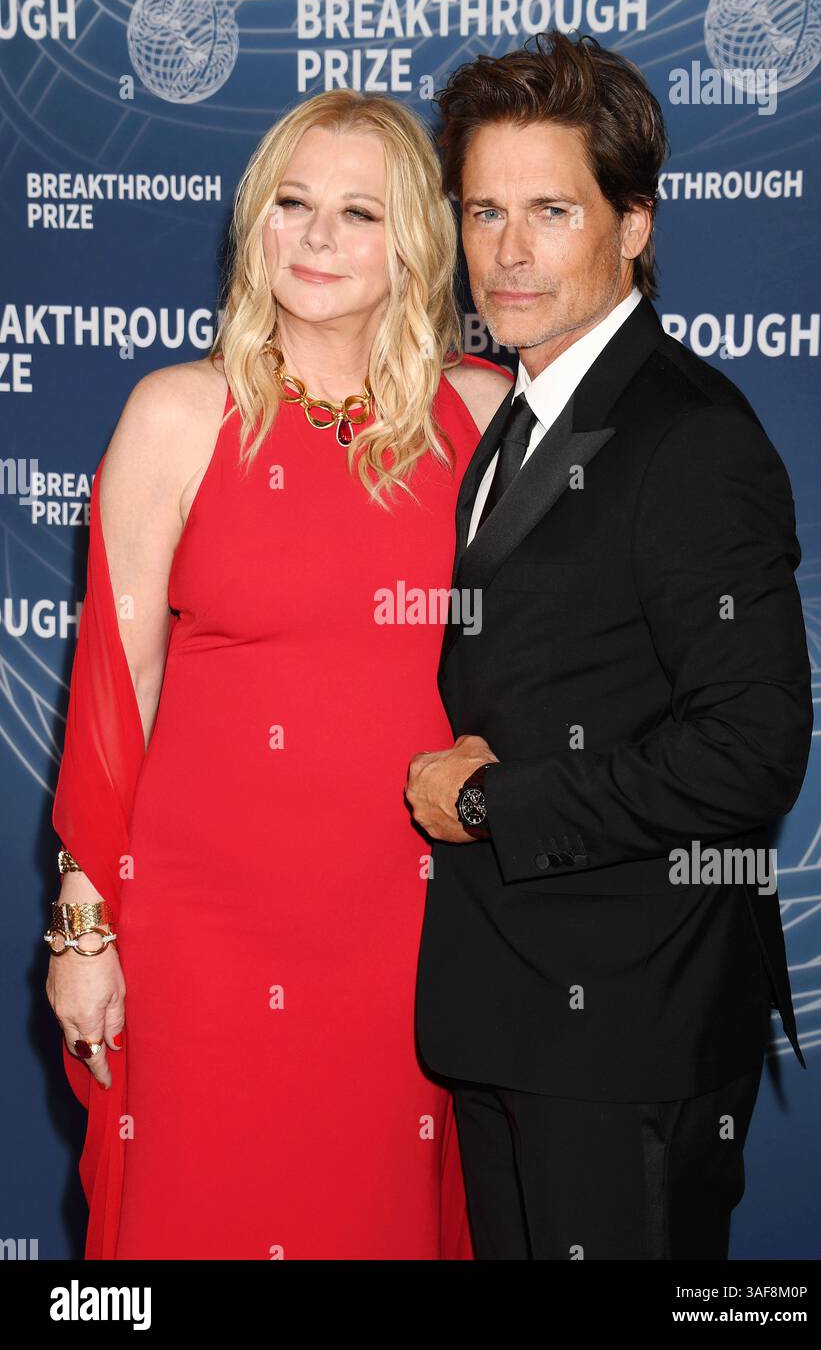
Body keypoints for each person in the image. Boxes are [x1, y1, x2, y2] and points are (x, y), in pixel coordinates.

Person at [46, 88, 513, 1259]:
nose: (314, 238)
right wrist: (82, 933)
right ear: (253, 223)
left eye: (356, 212)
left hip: (409, 930)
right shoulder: (176, 414)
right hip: (201, 932)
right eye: (291, 205)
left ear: (412, 238)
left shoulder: (483, 416)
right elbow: (117, 691)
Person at [407, 31, 814, 1260]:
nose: (507, 251)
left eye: (550, 209)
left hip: (631, 1025)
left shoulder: (689, 436)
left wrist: (490, 800)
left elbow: (750, 751)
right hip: (514, 1016)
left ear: (632, 224)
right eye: (484, 210)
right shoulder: (523, 410)